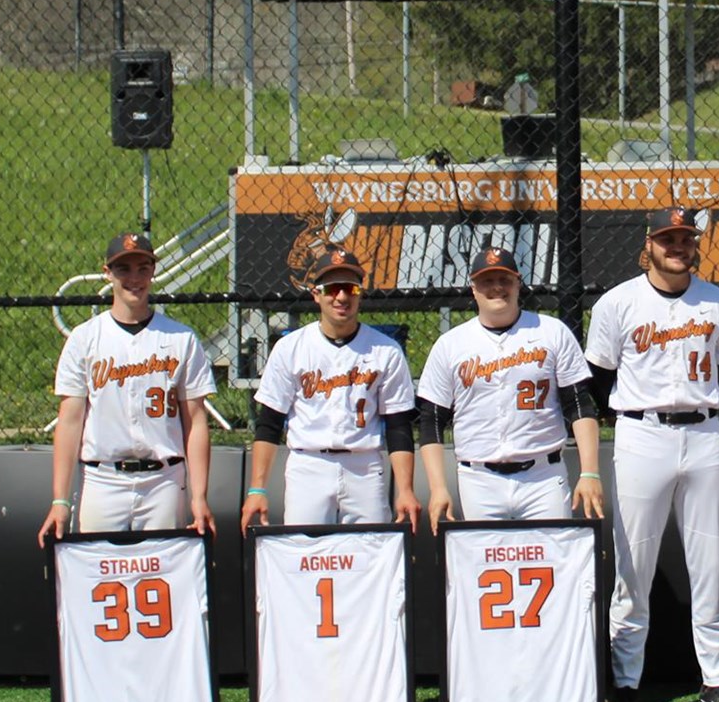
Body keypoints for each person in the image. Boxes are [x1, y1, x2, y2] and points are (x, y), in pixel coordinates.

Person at [584, 206, 719, 702]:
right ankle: (626, 685)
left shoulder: (718, 301)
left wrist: (698, 411)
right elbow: (596, 380)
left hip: (703, 433)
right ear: (649, 244)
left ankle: (716, 684)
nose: (677, 246)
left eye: (684, 238)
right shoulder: (618, 302)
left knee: (710, 564)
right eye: (667, 238)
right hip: (641, 432)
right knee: (632, 567)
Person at [38, 233, 215, 544]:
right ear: (107, 273)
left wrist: (198, 496)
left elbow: (195, 420)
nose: (134, 278)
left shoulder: (181, 338)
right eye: (124, 269)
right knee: (98, 571)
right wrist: (60, 500)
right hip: (103, 478)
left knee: (164, 574)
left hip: (164, 479)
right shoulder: (85, 338)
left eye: (143, 268)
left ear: (153, 271)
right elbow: (69, 421)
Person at [416, 245, 605, 529]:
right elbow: (431, 421)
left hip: (543, 476)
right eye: (487, 281)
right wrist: (438, 487)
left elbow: (579, 405)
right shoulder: (451, 344)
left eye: (504, 279)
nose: (496, 288)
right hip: (479, 479)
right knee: (486, 563)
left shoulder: (551, 332)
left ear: (518, 282)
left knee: (552, 559)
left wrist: (590, 472)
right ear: (473, 288)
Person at [239, 247, 421, 531]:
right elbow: (269, 423)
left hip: (364, 466)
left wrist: (406, 489)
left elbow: (398, 426)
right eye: (332, 288)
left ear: (359, 292)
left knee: (373, 552)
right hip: (308, 465)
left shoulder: (386, 351)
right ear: (316, 294)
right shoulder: (291, 348)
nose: (341, 297)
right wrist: (257, 490)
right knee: (305, 553)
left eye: (350, 288)